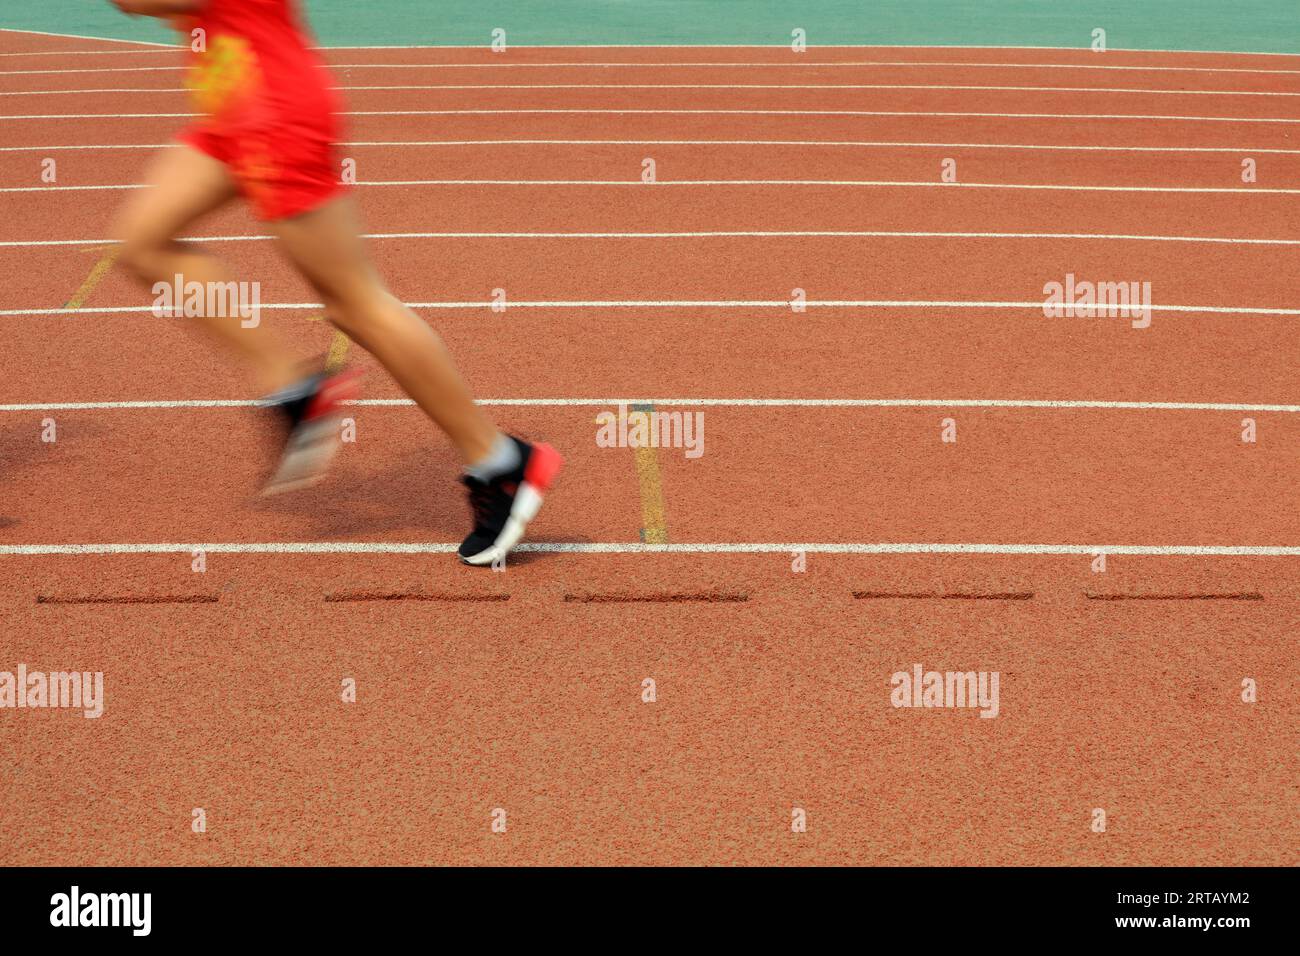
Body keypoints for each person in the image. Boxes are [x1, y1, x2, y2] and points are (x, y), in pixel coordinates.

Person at [108, 0, 562, 565]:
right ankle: (296, 390)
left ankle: (501, 462)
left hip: (274, 115)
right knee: (142, 243)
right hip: (233, 107)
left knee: (355, 304)